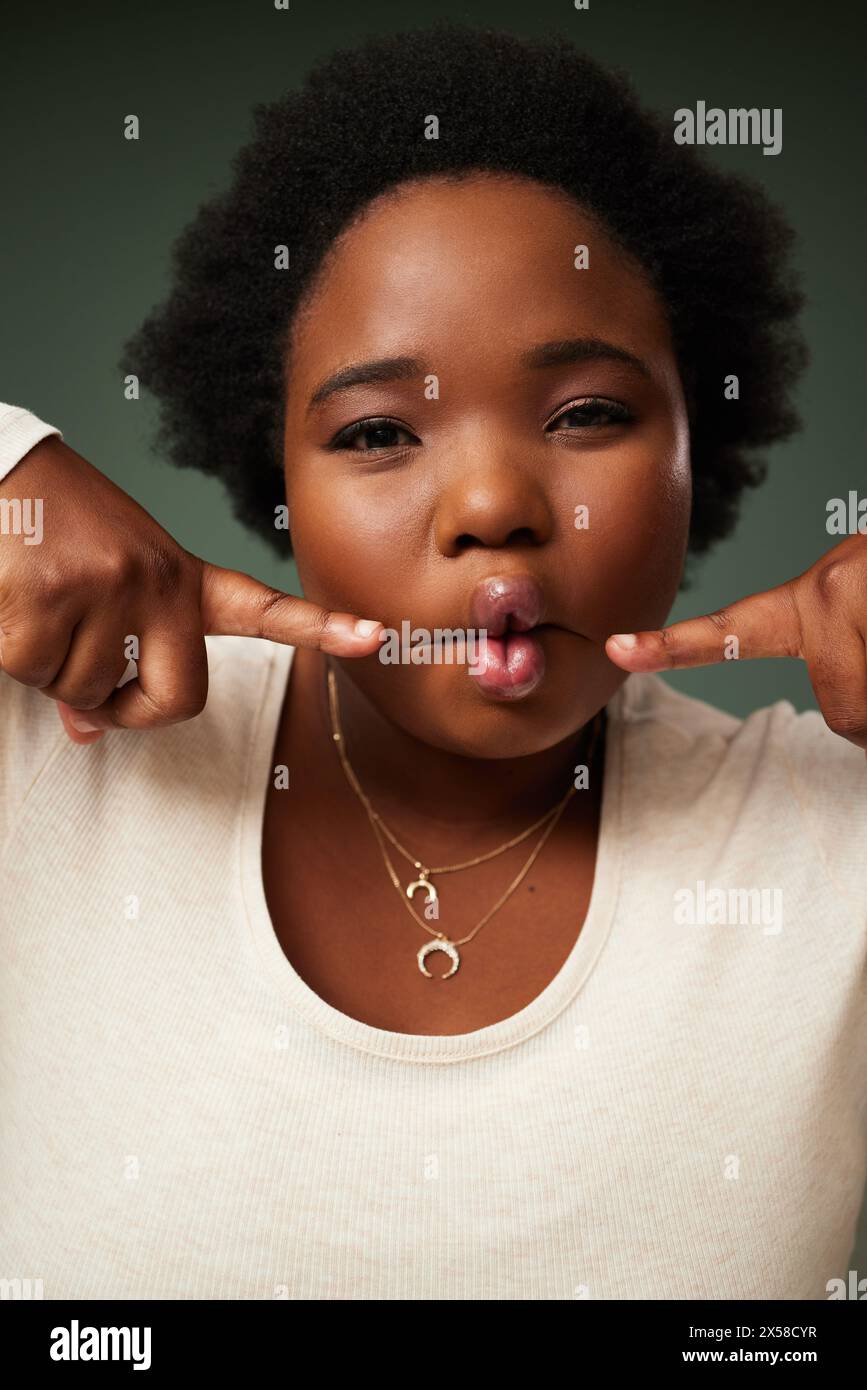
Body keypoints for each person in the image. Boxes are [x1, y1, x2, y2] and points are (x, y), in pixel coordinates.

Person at [1, 23, 864, 1301]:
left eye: (586, 415)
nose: (492, 503)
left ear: (697, 448)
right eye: (379, 431)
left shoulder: (827, 843)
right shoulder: (56, 739)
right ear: (277, 476)